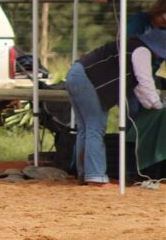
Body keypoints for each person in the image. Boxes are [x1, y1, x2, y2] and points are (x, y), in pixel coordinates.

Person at [64, 28, 166, 187]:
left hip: (75, 74)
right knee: (95, 128)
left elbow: (138, 86)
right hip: (88, 80)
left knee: (85, 128)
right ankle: (95, 176)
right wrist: (159, 106)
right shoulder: (142, 51)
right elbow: (145, 82)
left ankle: (84, 173)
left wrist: (153, 104)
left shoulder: (131, 46)